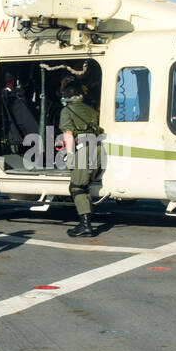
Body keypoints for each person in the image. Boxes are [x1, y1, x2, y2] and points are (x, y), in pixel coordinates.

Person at [58, 77, 103, 237]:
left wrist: (70, 155)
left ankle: (85, 225)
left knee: (76, 187)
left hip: (84, 149)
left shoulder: (67, 110)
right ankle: (87, 219)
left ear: (68, 94)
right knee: (85, 186)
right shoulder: (89, 109)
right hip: (97, 148)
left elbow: (68, 134)